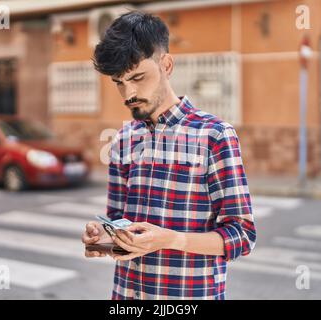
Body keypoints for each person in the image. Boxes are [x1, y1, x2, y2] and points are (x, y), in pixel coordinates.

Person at [81, 11, 256, 300]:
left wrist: (171, 239)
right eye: (119, 82)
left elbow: (243, 235)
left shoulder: (215, 135)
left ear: (167, 64)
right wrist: (102, 234)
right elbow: (118, 221)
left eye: (138, 77)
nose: (128, 93)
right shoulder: (122, 140)